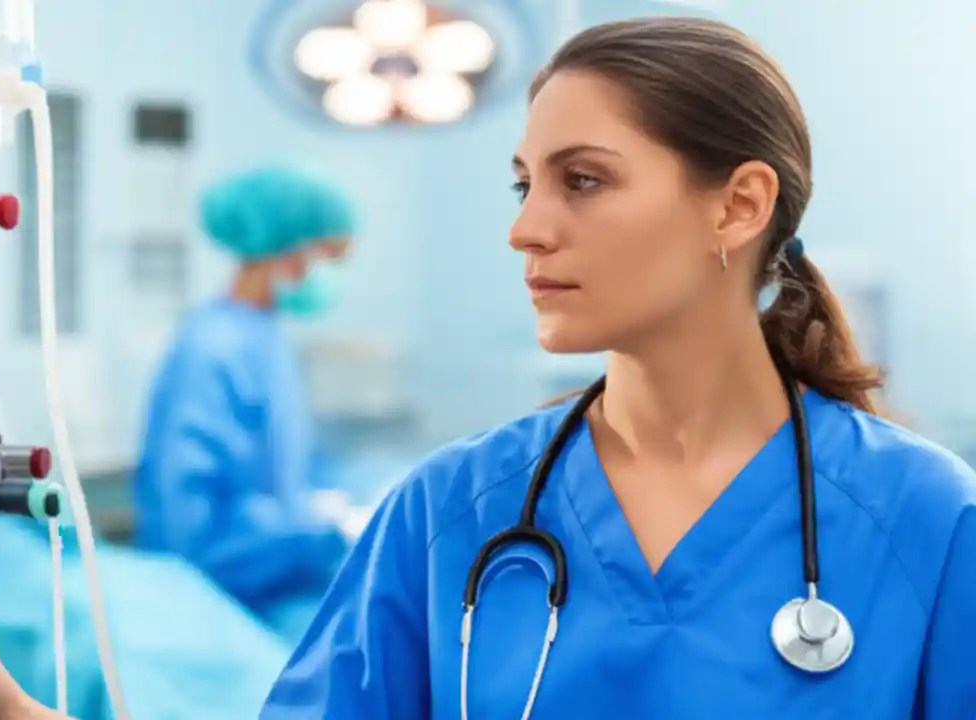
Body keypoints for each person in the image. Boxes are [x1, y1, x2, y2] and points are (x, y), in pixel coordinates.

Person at [257, 16, 976, 719]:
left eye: (583, 180)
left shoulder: (928, 520)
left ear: (738, 206)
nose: (525, 230)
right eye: (524, 186)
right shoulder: (446, 513)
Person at [132, 165, 361, 641]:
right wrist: (316, 534)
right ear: (293, 254)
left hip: (269, 594)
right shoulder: (212, 352)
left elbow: (292, 469)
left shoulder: (266, 339)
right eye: (332, 258)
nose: (334, 276)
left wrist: (333, 508)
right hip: (216, 614)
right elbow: (191, 533)